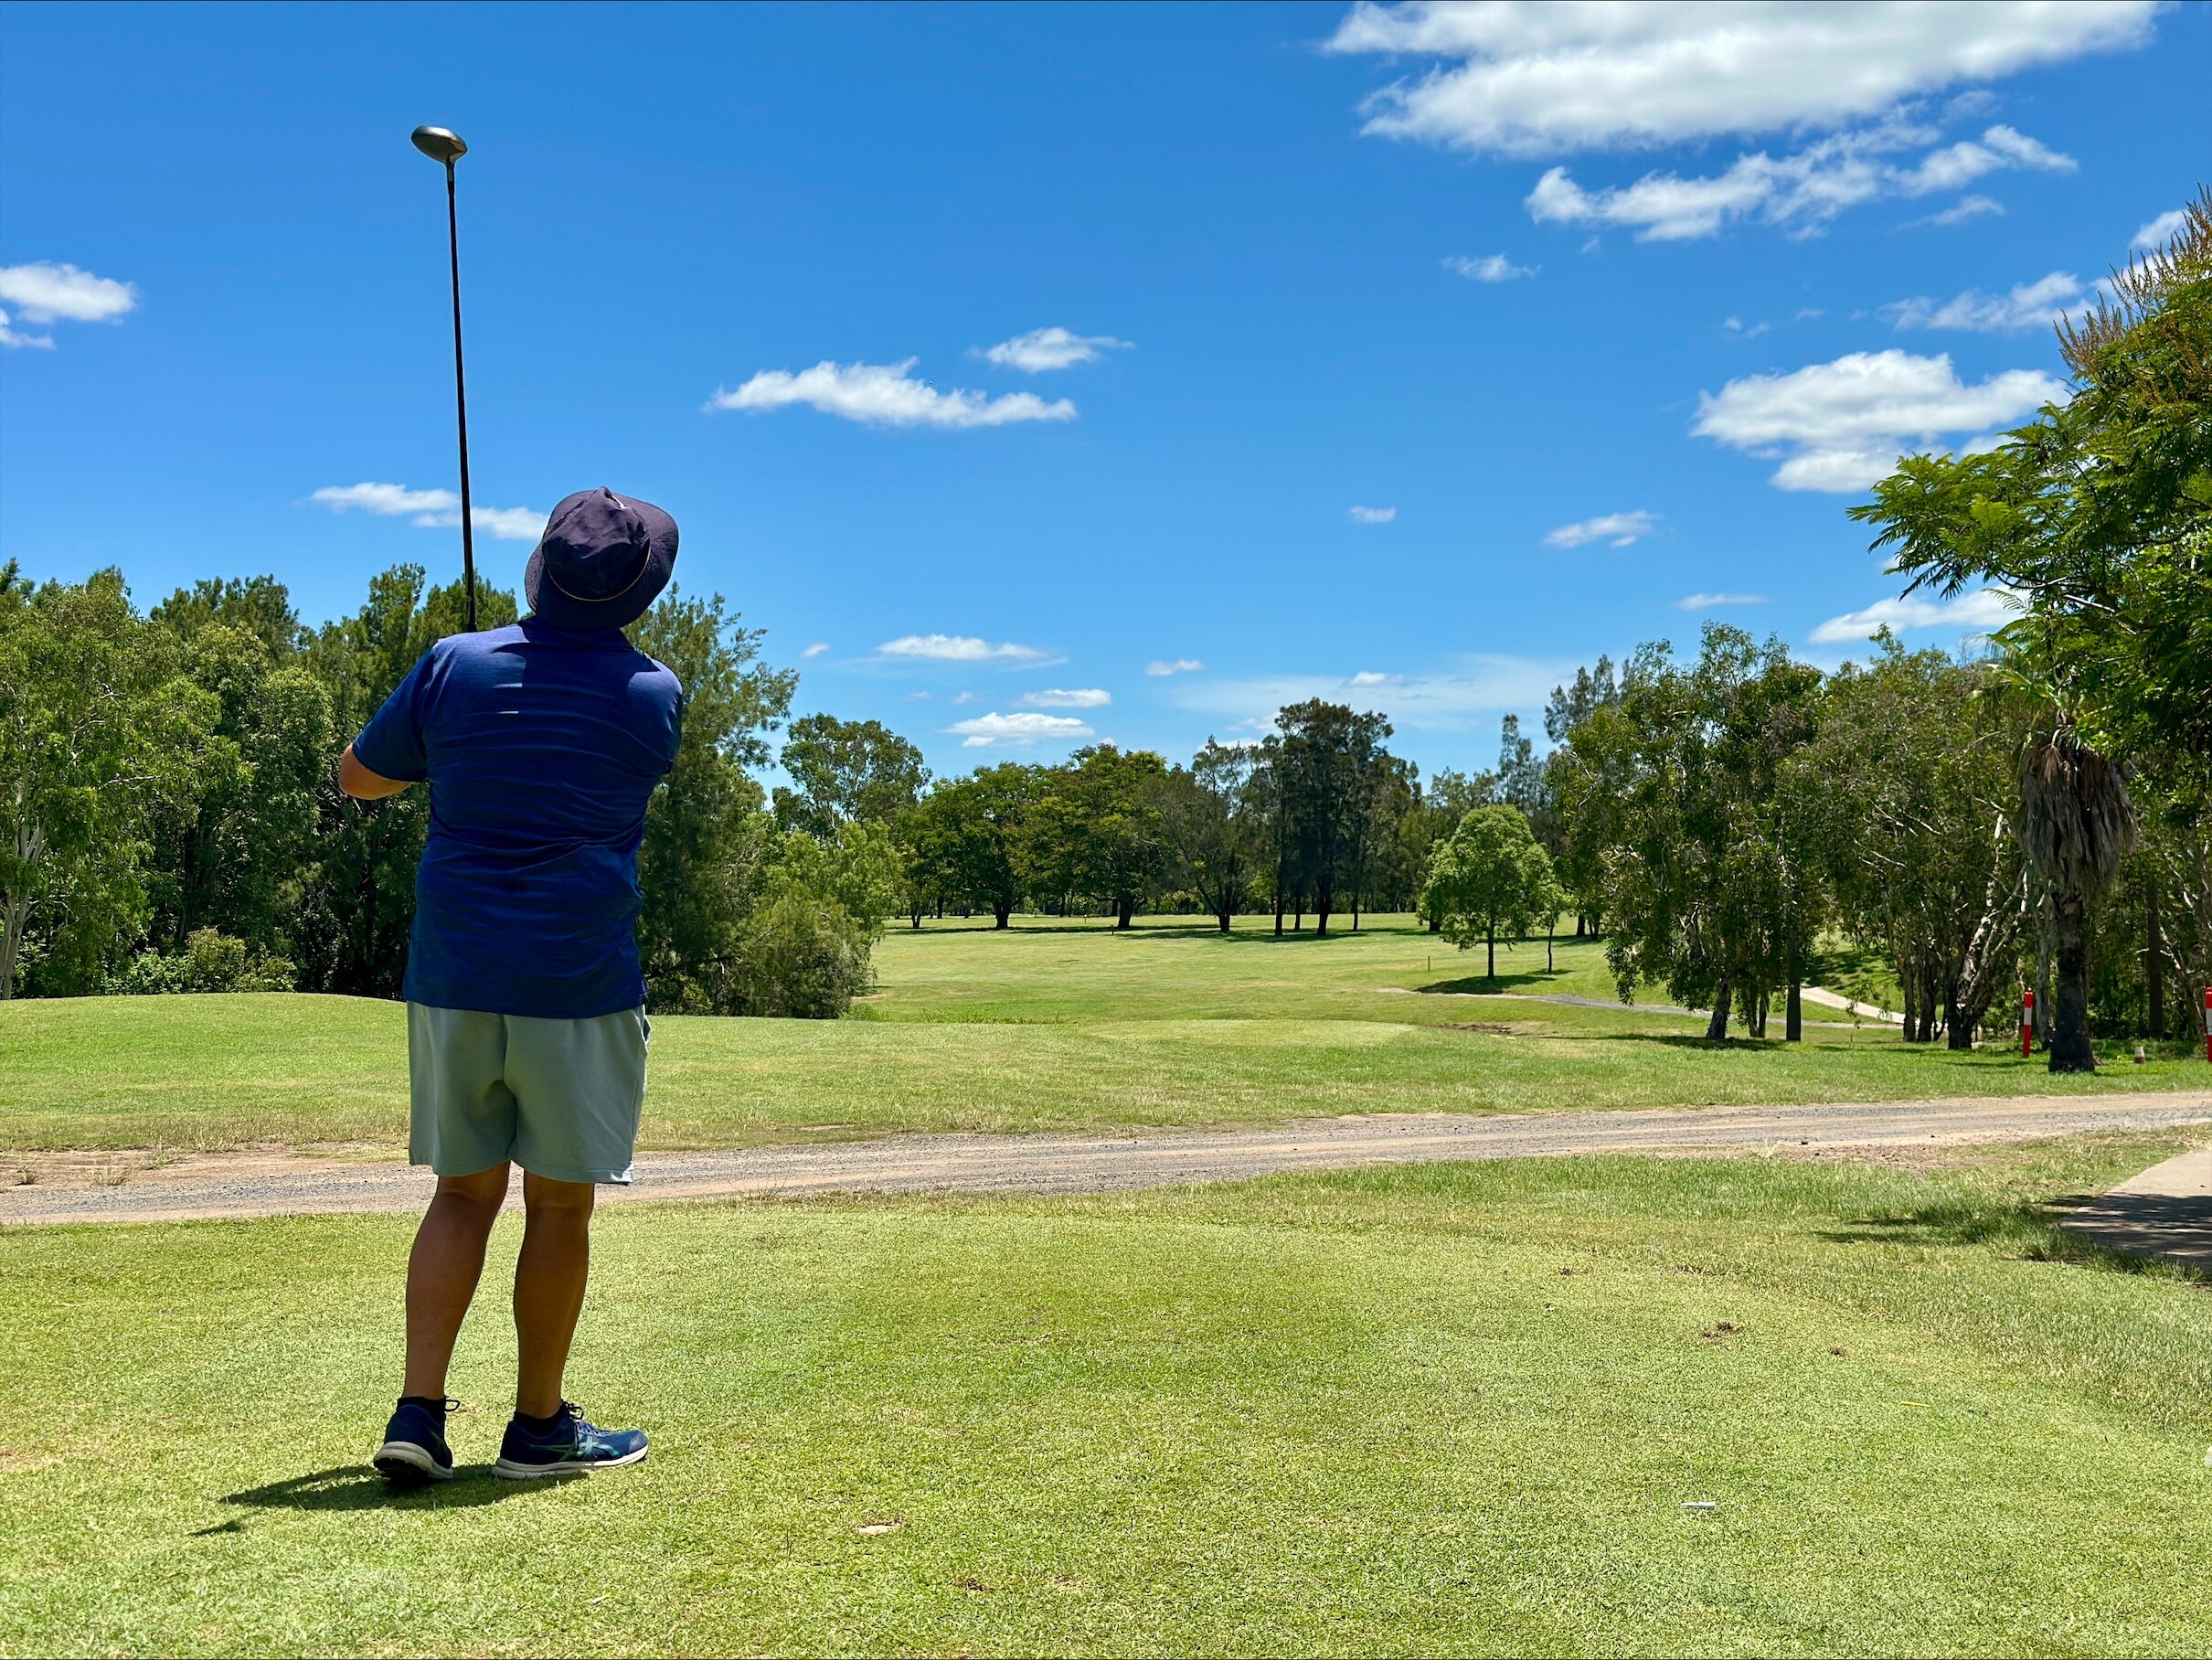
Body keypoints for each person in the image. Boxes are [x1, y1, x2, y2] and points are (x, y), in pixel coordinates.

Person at [341, 487, 685, 1486]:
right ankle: (536, 1428)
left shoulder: (453, 663)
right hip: (576, 980)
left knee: (460, 1193)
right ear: (640, 591)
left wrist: (450, 731)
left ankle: (420, 1413)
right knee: (560, 1209)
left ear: (539, 567)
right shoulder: (653, 693)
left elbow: (359, 777)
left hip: (456, 972)